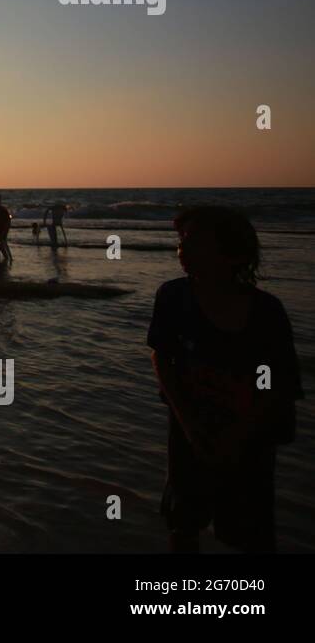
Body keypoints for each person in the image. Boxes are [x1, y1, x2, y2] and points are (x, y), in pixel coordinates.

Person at [148, 206, 303, 553]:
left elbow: (275, 381)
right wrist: (188, 424)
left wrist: (238, 432)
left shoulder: (266, 312)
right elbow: (163, 358)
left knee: (249, 531)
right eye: (180, 241)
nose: (182, 250)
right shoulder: (173, 296)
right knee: (184, 522)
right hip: (190, 434)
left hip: (249, 441)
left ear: (233, 253)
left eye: (195, 241)